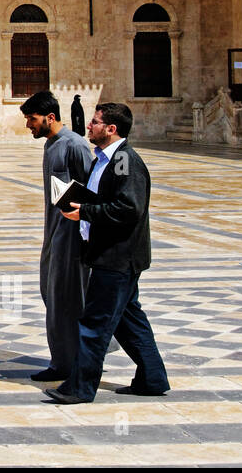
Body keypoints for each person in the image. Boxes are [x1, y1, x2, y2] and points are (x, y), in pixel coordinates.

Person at [44, 103, 170, 404]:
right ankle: (153, 379)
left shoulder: (125, 160)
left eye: (95, 122)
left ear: (111, 129)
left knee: (94, 325)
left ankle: (79, 387)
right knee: (129, 322)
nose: (89, 126)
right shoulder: (104, 159)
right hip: (107, 254)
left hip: (117, 258)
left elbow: (129, 207)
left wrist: (85, 212)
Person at [20, 91, 94, 383]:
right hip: (53, 233)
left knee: (67, 299)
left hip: (72, 237)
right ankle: (64, 358)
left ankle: (69, 363)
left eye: (32, 119)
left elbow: (90, 189)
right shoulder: (51, 144)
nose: (29, 125)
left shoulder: (75, 145)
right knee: (52, 295)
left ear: (50, 117)